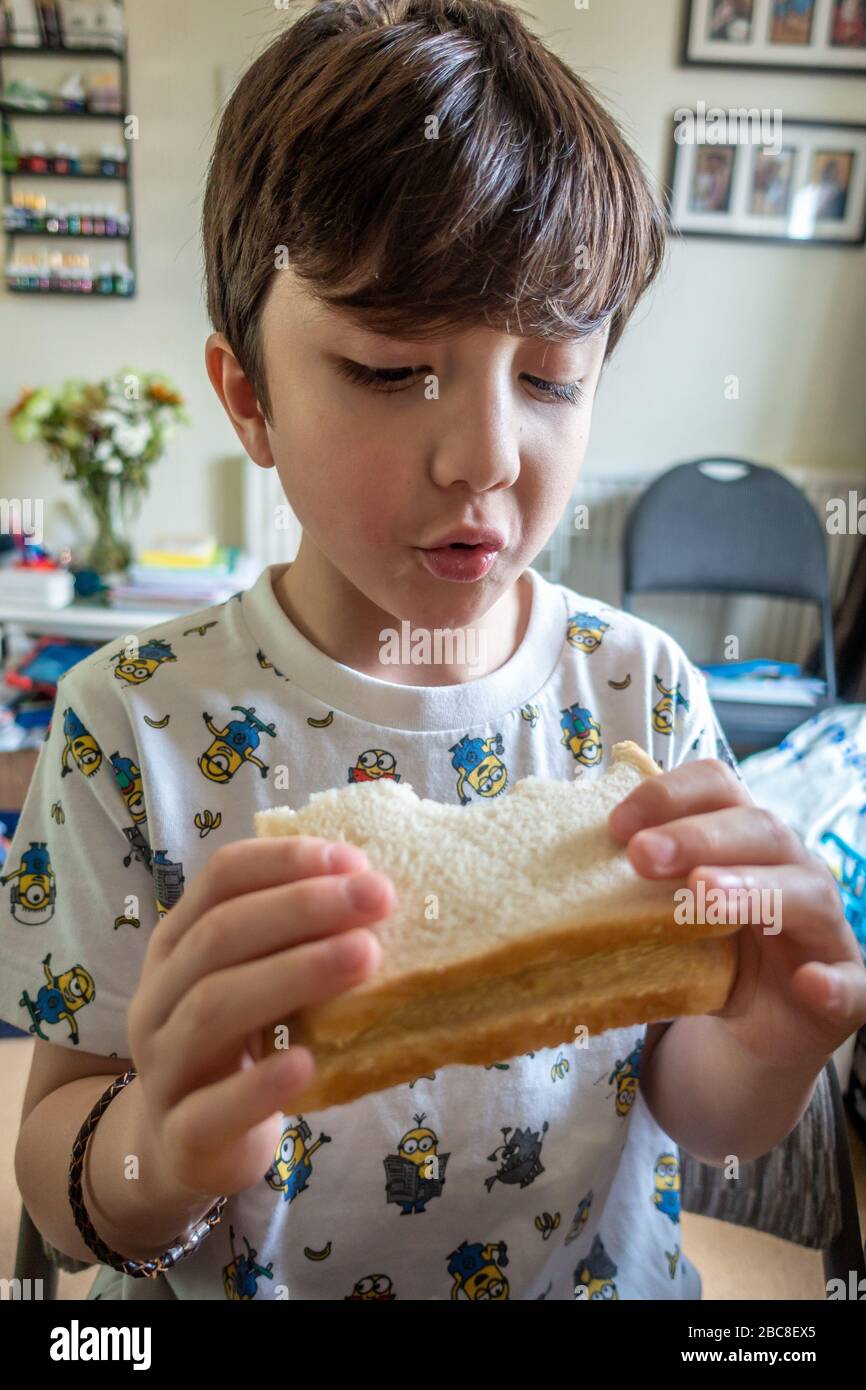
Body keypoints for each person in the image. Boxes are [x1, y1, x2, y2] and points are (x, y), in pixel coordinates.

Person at [4, 0, 865, 1302]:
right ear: (250, 397)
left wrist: (772, 1038)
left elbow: (701, 1107)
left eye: (551, 377)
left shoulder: (642, 695)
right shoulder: (129, 728)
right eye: (390, 365)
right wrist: (165, 1149)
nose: (484, 458)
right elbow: (68, 1176)